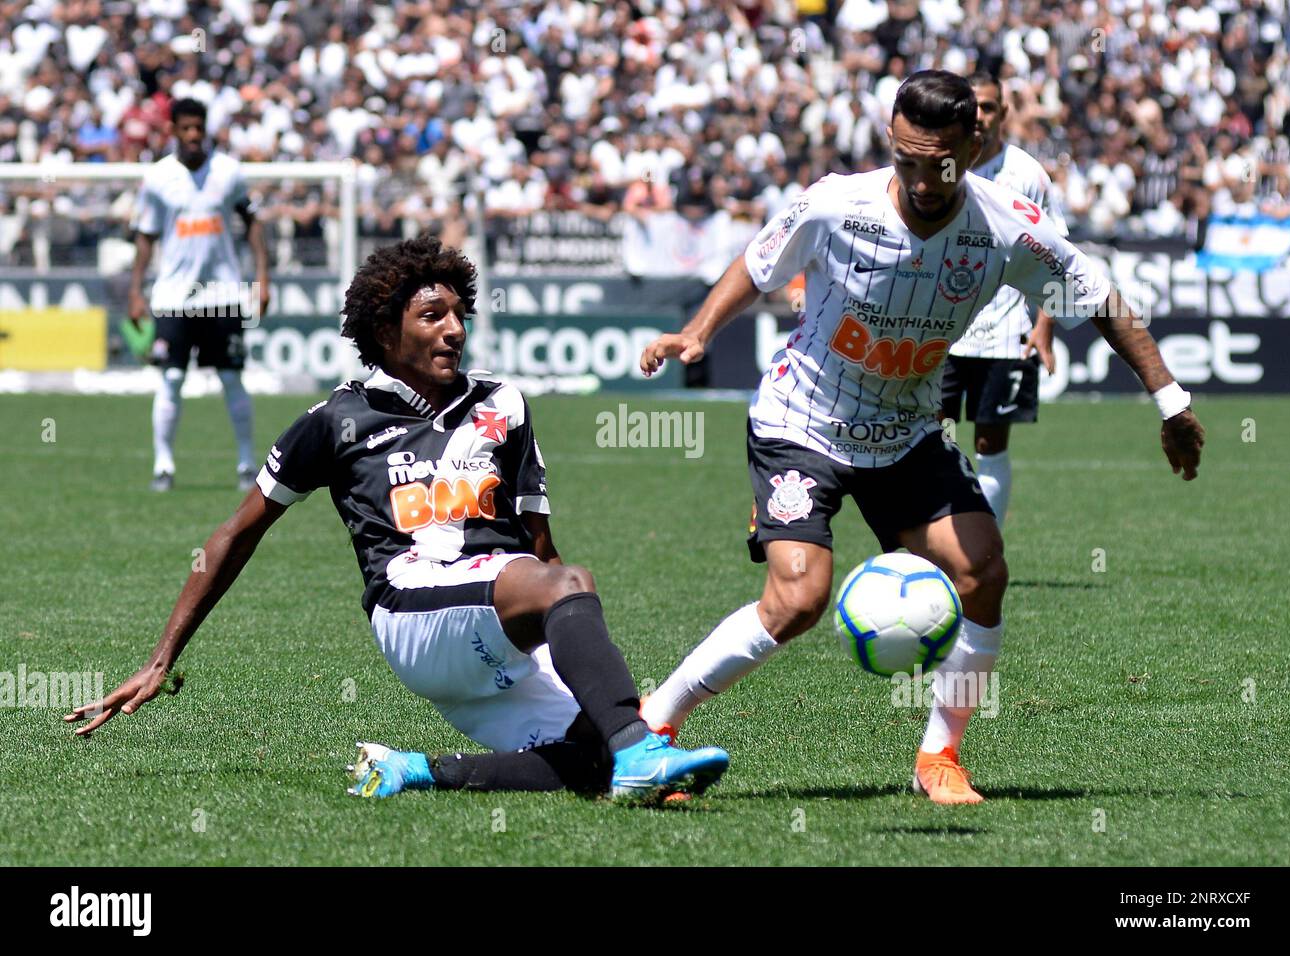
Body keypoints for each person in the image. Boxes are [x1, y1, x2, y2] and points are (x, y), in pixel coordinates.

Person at [638, 71, 1204, 804]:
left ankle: (939, 754)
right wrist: (697, 332)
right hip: (801, 421)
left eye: (937, 162)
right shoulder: (838, 202)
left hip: (906, 433)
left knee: (983, 574)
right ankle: (653, 730)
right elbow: (756, 264)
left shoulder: (1007, 225)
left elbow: (1100, 300)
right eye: (904, 158)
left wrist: (1170, 401)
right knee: (799, 598)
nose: (920, 178)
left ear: (974, 145)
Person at [69, 236, 730, 806]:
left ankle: (413, 770)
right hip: (413, 618)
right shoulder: (338, 421)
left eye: (459, 314)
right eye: (432, 315)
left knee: (594, 761)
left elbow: (538, 548)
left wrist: (571, 661)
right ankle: (642, 750)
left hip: (498, 622)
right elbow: (234, 534)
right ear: (387, 332)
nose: (454, 329)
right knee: (571, 593)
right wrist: (160, 661)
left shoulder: (504, 403)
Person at [127, 97, 270, 493]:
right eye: (186, 128)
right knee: (171, 378)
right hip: (173, 297)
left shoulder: (228, 172)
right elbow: (146, 237)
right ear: (172, 130)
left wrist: (263, 277)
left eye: (198, 128)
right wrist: (135, 291)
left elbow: (253, 224)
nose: (193, 136)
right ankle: (164, 465)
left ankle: (246, 464)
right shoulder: (157, 178)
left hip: (221, 294)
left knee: (232, 378)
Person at [940, 71, 1064, 526]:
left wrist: (1044, 328)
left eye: (989, 107)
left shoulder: (1027, 174)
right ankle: (933, 547)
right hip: (941, 336)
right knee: (934, 440)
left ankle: (983, 550)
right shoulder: (939, 165)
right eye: (971, 106)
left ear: (1003, 113)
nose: (979, 117)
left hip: (1006, 336)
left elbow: (1056, 258)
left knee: (991, 444)